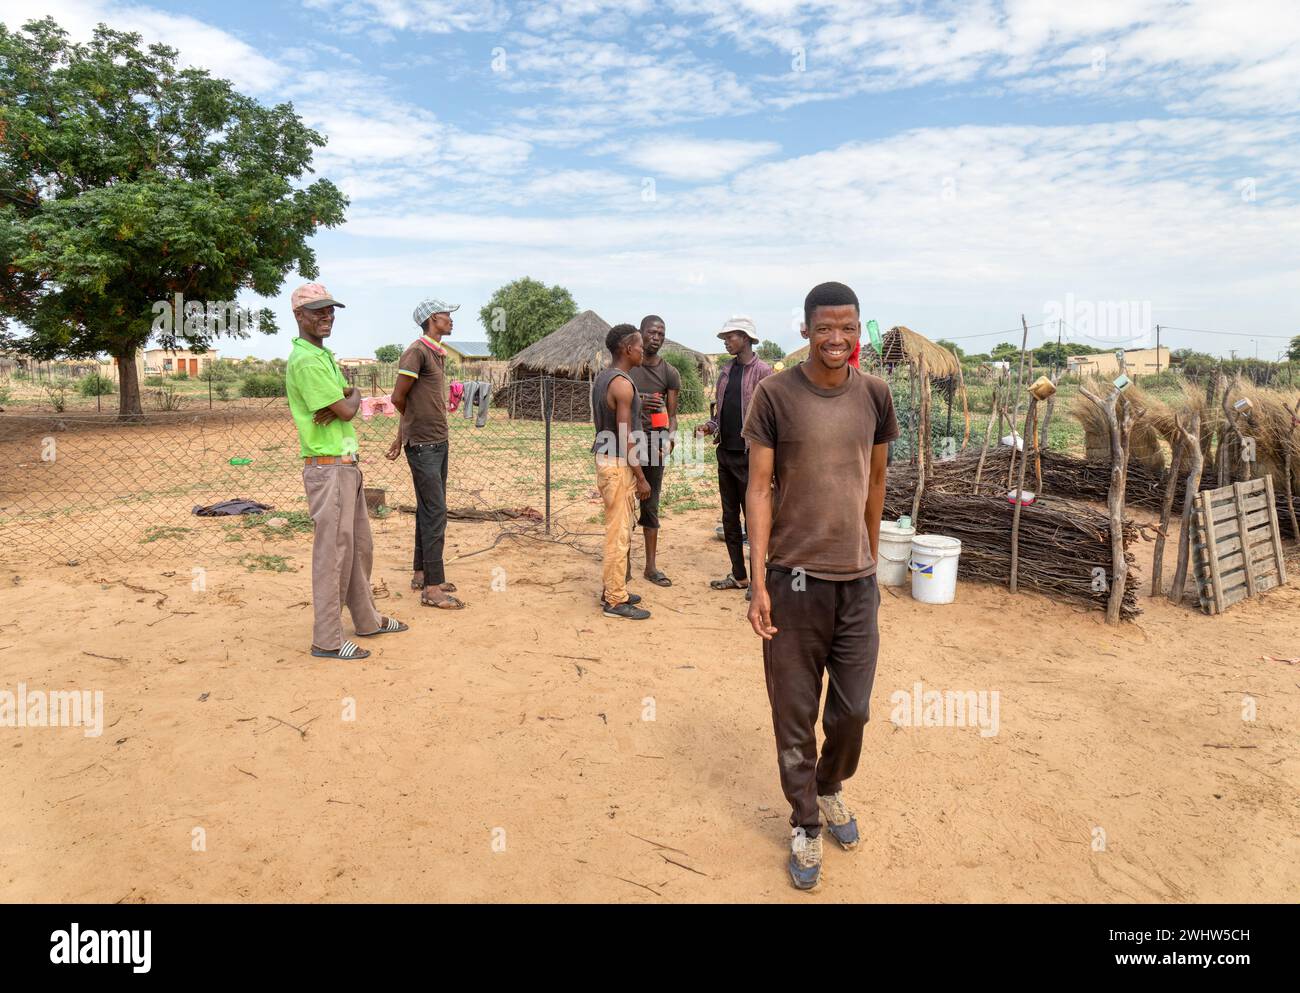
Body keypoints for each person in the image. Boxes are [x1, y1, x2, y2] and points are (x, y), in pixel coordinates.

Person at [743, 281, 899, 891]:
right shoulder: (775, 395)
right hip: (791, 581)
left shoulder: (876, 396)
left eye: (849, 328)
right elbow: (758, 488)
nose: (838, 339)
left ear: (859, 331)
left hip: (855, 582)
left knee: (854, 710)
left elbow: (877, 482)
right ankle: (806, 819)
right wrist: (757, 581)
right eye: (826, 328)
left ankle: (830, 784)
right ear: (806, 330)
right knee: (793, 712)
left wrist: (871, 559)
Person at [285, 282, 408, 661]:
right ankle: (327, 638)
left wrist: (347, 396)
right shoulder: (306, 360)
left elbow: (345, 399)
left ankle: (367, 619)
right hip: (328, 468)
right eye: (318, 311)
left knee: (357, 548)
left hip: (344, 465)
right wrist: (348, 398)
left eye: (330, 310)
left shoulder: (322, 355)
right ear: (299, 316)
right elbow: (347, 409)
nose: (327, 316)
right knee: (334, 554)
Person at [387, 296, 465, 609]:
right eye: (447, 315)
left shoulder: (436, 353)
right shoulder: (416, 352)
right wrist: (408, 433)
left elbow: (414, 401)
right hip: (424, 444)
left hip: (436, 440)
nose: (451, 320)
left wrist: (402, 433)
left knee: (427, 508)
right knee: (435, 511)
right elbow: (398, 397)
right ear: (433, 318)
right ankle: (433, 589)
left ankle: (422, 572)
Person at [695, 316, 772, 595]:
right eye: (725, 338)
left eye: (731, 337)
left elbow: (770, 417)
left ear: (747, 338)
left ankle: (759, 581)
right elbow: (720, 412)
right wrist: (709, 426)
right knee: (729, 518)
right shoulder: (726, 371)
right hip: (725, 453)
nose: (726, 342)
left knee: (755, 519)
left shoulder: (763, 372)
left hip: (751, 456)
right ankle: (739, 576)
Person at [592, 323, 653, 620]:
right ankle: (615, 601)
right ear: (627, 349)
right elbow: (625, 434)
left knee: (619, 529)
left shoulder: (605, 378)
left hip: (607, 461)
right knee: (618, 534)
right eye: (639, 345)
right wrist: (641, 477)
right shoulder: (622, 384)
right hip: (618, 465)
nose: (643, 350)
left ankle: (613, 588)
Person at [627, 314, 680, 588]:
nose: (656, 337)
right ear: (641, 333)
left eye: (661, 333)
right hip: (626, 444)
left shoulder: (669, 372)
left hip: (653, 447)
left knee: (651, 504)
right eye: (651, 332)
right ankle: (622, 564)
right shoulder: (629, 369)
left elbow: (671, 416)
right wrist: (639, 400)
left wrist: (669, 440)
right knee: (624, 504)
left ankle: (650, 566)